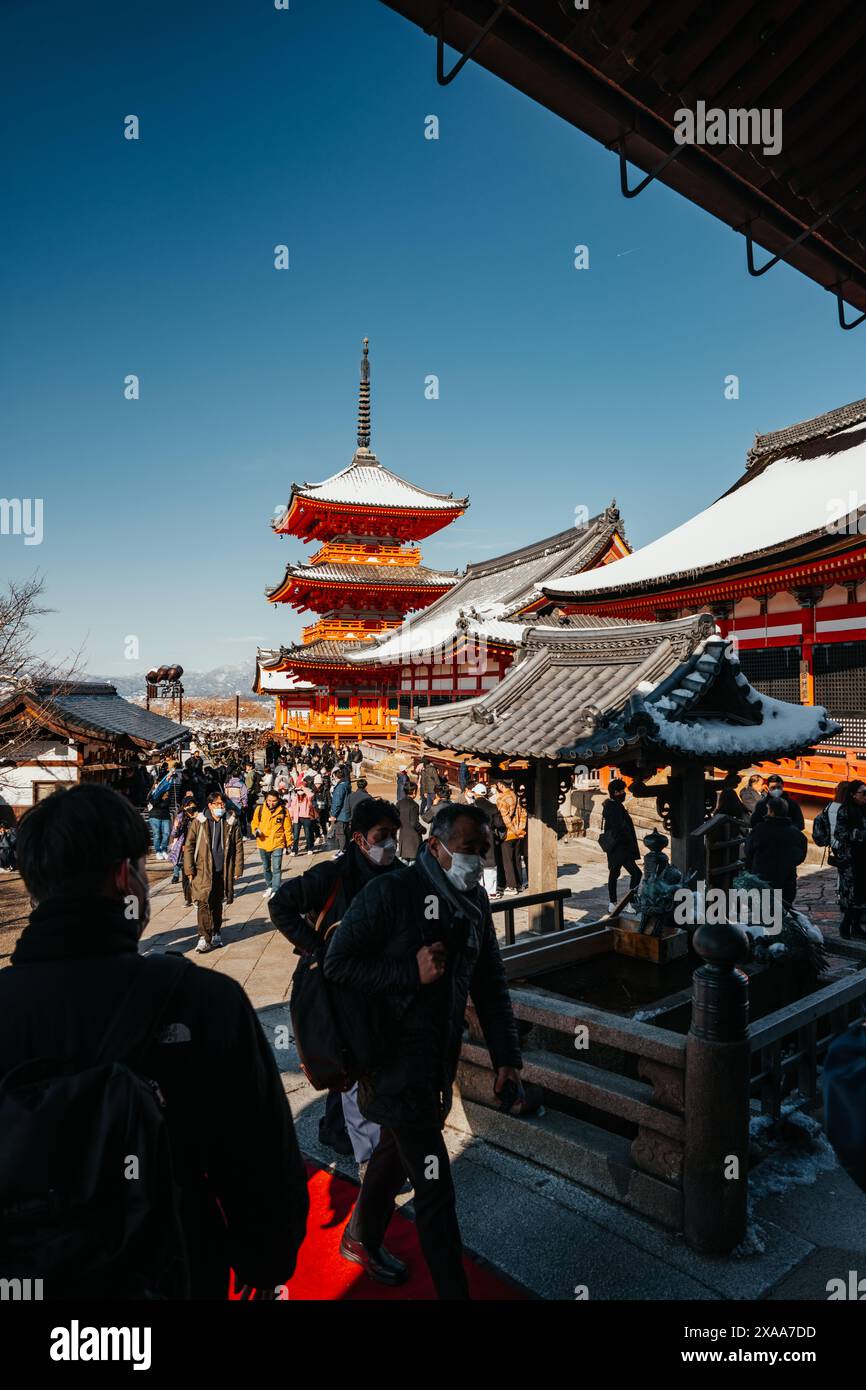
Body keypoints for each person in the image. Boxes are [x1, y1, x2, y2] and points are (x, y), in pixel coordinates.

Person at [0, 784, 307, 1299]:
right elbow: (260, 1160)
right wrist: (264, 1262)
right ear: (125, 877)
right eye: (142, 870)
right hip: (171, 1266)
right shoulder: (203, 1000)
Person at [325, 802, 523, 1297]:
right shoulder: (394, 893)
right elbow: (338, 963)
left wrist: (506, 1058)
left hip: (436, 1059)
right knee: (436, 1191)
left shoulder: (476, 903)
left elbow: (490, 983)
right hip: (390, 1059)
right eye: (467, 849)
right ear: (435, 847)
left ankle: (361, 1234)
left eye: (484, 849)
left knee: (394, 1147)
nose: (477, 860)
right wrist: (406, 973)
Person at [270, 798, 402, 1167]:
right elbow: (281, 904)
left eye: (394, 835)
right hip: (338, 988)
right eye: (382, 836)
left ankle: (335, 1128)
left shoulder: (400, 873)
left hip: (384, 983)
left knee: (363, 1064)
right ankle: (371, 1158)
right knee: (352, 1065)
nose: (390, 843)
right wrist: (317, 948)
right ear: (360, 839)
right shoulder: (332, 874)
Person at [183, 790, 245, 953]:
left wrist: (238, 868)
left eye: (222, 803)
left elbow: (238, 845)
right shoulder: (199, 821)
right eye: (217, 804)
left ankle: (216, 932)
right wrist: (188, 868)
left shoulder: (231, 821)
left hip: (222, 869)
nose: (221, 806)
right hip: (202, 869)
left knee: (217, 903)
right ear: (210, 805)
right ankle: (203, 937)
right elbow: (189, 845)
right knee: (203, 902)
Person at [744, 794, 808, 903]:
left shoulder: (759, 830)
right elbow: (801, 855)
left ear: (771, 811)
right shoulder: (795, 833)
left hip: (762, 877)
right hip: (786, 879)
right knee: (781, 911)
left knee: (762, 913)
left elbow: (748, 850)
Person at [601, 778, 641, 912]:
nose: (624, 793)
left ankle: (613, 903)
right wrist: (626, 841)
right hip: (621, 847)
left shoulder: (612, 805)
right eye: (622, 791)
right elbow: (619, 828)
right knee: (636, 873)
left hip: (616, 847)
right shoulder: (615, 807)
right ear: (615, 792)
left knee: (614, 873)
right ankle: (629, 903)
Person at [833, 779, 866, 939]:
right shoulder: (845, 811)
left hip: (863, 858)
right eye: (863, 793)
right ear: (853, 795)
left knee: (862, 894)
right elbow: (839, 833)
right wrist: (859, 835)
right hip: (850, 859)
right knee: (852, 894)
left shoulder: (864, 810)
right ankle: (845, 926)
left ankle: (857, 927)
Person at [252, 789, 288, 901]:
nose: (271, 803)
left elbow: (287, 828)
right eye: (269, 800)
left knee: (277, 868)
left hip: (278, 842)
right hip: (263, 842)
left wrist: (289, 843)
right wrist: (256, 830)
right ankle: (269, 886)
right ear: (266, 800)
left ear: (278, 800)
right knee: (266, 867)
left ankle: (276, 889)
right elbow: (254, 823)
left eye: (274, 801)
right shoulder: (260, 809)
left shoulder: (283, 811)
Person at [471, 782, 506, 898]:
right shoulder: (493, 807)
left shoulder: (470, 807)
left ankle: (478, 890)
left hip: (474, 836)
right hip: (488, 836)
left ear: (475, 793)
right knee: (490, 865)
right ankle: (491, 891)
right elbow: (499, 824)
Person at [495, 781, 527, 894]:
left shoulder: (502, 799)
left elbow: (505, 818)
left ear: (501, 785)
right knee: (517, 858)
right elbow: (523, 813)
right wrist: (520, 828)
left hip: (508, 833)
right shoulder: (517, 796)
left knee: (507, 860)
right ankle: (519, 883)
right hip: (519, 833)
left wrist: (514, 829)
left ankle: (511, 886)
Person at [169, 792, 199, 906]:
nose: (191, 808)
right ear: (184, 806)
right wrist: (177, 825)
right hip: (183, 850)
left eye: (193, 806)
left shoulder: (199, 818)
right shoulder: (180, 818)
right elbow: (174, 834)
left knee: (196, 874)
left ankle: (196, 896)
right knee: (186, 875)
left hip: (197, 849)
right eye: (188, 806)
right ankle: (188, 898)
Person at [147, 763, 176, 861]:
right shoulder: (152, 794)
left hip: (165, 816)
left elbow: (166, 803)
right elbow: (153, 802)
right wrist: (158, 793)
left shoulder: (167, 792)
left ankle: (164, 850)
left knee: (167, 833)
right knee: (157, 834)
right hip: (154, 816)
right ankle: (158, 851)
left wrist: (163, 793)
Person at [396, 780, 424, 862]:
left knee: (404, 863)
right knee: (413, 864)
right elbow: (414, 823)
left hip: (403, 836)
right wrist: (423, 830)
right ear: (414, 792)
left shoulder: (399, 803)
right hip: (413, 838)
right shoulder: (414, 805)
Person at [289, 778, 317, 857]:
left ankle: (310, 848)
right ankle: (294, 850)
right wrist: (291, 816)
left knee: (308, 834)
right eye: (298, 790)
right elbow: (292, 807)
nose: (299, 792)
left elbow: (311, 794)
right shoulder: (295, 797)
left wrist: (303, 788)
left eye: (300, 790)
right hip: (297, 818)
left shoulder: (307, 797)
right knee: (296, 835)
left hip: (306, 817)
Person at [330, 767, 351, 852]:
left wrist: (333, 814)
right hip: (346, 813)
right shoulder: (346, 784)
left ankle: (343, 850)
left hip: (341, 814)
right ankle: (345, 849)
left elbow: (337, 803)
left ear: (335, 776)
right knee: (345, 833)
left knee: (341, 833)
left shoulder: (340, 787)